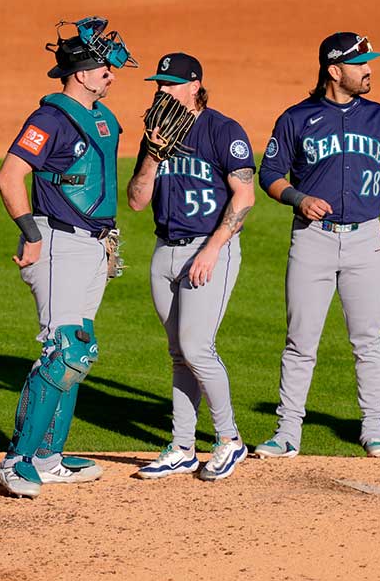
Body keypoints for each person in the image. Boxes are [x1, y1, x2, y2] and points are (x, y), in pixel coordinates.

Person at [254, 32, 380, 460]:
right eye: (361, 64)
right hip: (312, 241)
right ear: (334, 71)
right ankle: (287, 432)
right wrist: (298, 198)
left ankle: (375, 428)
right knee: (300, 341)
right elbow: (270, 173)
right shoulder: (296, 118)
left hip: (366, 242)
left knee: (368, 341)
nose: (369, 69)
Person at [0, 16, 137, 498]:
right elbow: (9, 176)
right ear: (80, 72)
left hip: (93, 246)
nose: (112, 75)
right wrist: (29, 234)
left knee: (80, 350)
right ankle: (17, 460)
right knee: (62, 350)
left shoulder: (103, 118)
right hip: (55, 243)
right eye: (103, 69)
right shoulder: (48, 119)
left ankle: (49, 456)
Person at [126, 53, 256, 481]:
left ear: (195, 86)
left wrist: (213, 250)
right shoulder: (157, 134)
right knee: (180, 353)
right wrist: (152, 155)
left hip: (208, 249)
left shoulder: (223, 130)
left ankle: (229, 440)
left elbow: (244, 197)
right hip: (165, 250)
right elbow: (137, 199)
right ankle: (182, 446)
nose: (161, 91)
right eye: (157, 84)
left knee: (198, 347)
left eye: (170, 84)